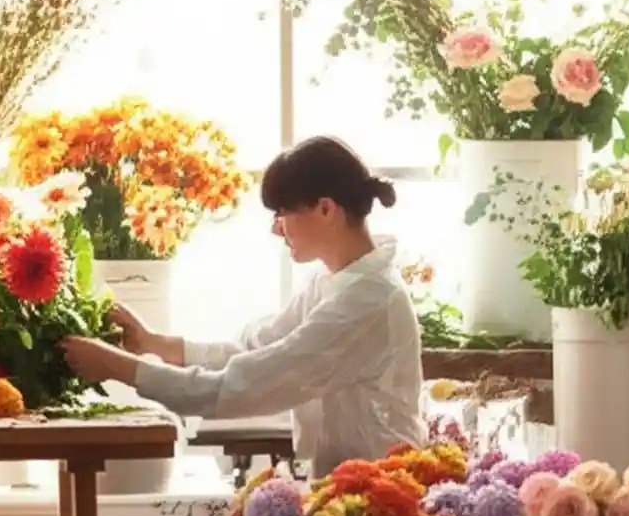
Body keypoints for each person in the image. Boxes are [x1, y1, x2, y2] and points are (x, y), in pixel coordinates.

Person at [61, 135, 425, 477]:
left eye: (281, 213)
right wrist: (155, 344)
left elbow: (248, 384)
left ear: (326, 209)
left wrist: (119, 367)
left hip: (385, 496)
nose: (276, 230)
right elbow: (254, 347)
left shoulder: (366, 302)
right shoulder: (332, 280)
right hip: (345, 489)